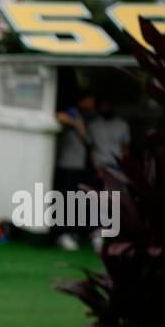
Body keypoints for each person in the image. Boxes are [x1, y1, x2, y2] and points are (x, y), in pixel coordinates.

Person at [52, 90, 97, 251]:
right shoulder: (73, 112)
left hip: (78, 165)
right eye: (90, 100)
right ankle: (62, 234)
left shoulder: (85, 116)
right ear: (82, 101)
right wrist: (77, 125)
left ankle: (70, 232)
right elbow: (59, 116)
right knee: (65, 201)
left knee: (75, 200)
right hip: (67, 165)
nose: (93, 104)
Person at [88, 95, 130, 181]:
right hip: (99, 166)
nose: (106, 108)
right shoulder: (93, 125)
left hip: (117, 166)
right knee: (99, 193)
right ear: (99, 108)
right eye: (104, 106)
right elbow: (90, 148)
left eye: (108, 105)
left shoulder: (122, 124)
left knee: (116, 193)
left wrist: (125, 168)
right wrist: (96, 168)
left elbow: (125, 147)